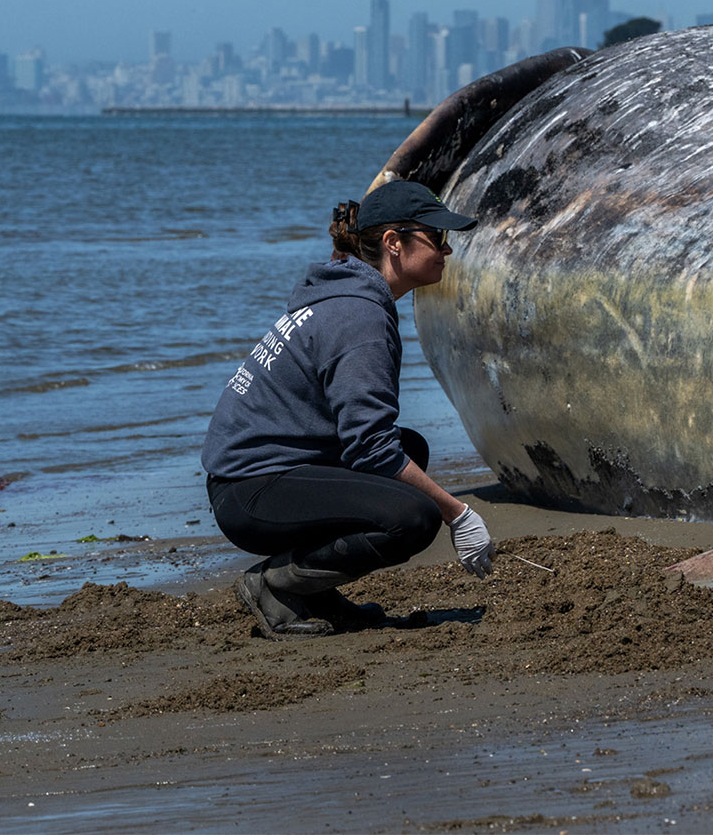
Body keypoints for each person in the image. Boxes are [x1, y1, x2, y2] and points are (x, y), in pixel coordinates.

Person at [202, 180, 497, 638]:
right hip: (250, 491)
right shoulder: (360, 316)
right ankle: (276, 585)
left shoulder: (349, 298)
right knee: (413, 518)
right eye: (436, 237)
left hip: (258, 477)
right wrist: (457, 514)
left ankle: (314, 591)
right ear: (393, 244)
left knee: (409, 448)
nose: (448, 250)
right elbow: (370, 450)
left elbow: (374, 441)